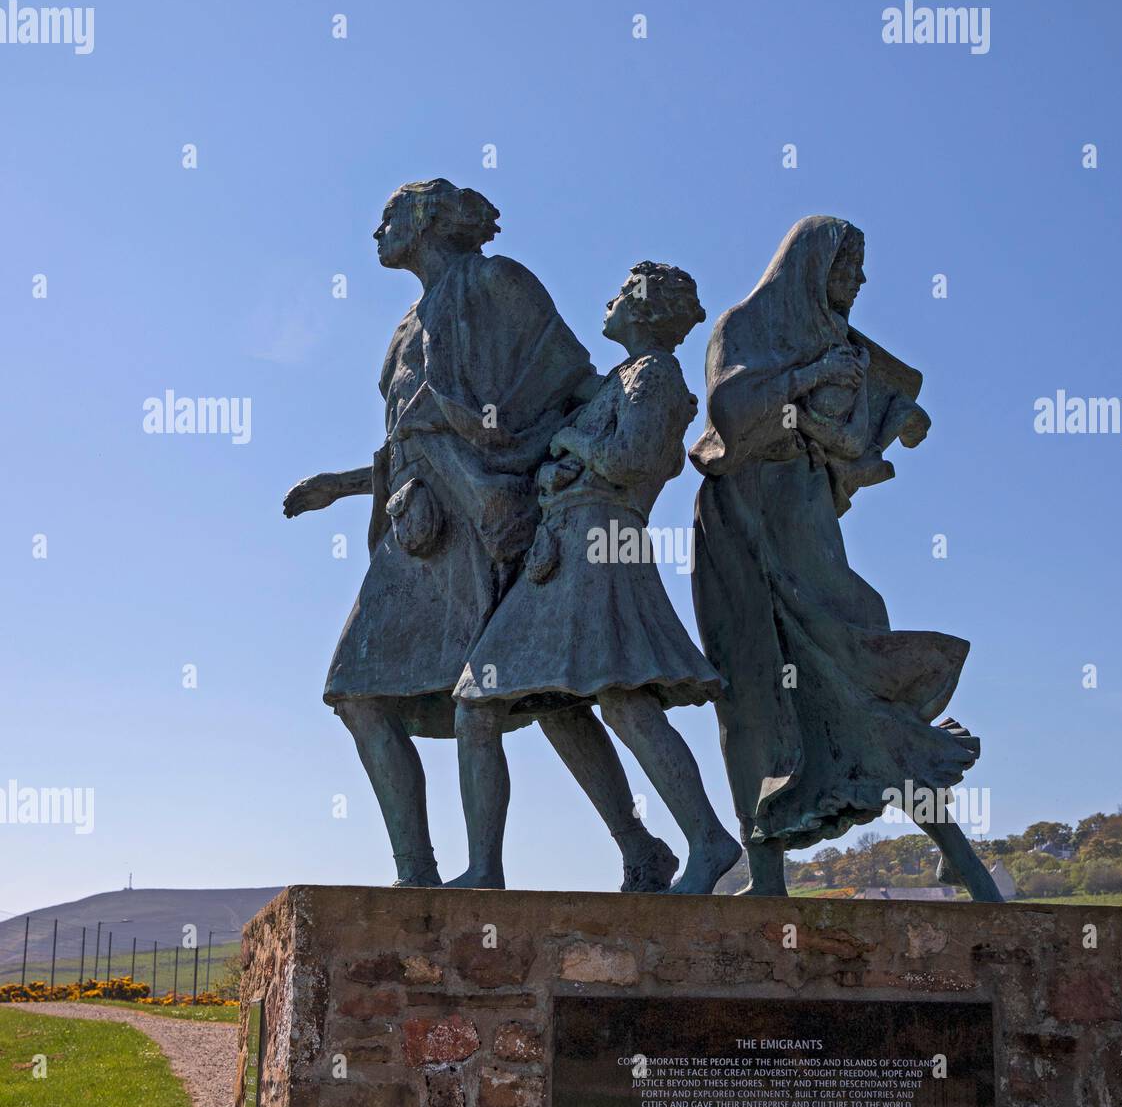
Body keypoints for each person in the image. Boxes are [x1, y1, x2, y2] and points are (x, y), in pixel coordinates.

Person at [282, 181, 677, 892]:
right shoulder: (408, 325)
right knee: (358, 695)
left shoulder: (497, 281)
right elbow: (407, 437)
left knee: (544, 693)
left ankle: (632, 847)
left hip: (489, 514)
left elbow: (571, 384)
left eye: (390, 215)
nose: (377, 230)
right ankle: (418, 876)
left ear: (429, 218)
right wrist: (341, 486)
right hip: (414, 528)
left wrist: (645, 417)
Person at [688, 216, 1001, 901]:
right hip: (741, 527)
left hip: (804, 527)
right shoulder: (743, 326)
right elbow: (729, 413)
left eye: (859, 271)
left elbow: (866, 424)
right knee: (750, 696)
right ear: (810, 267)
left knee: (855, 673)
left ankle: (959, 856)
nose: (858, 283)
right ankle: (767, 874)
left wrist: (884, 414)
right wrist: (809, 376)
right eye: (848, 269)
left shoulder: (842, 343)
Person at [454, 263, 741, 893]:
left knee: (615, 698)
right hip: (566, 548)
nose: (607, 302)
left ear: (639, 305)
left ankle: (706, 840)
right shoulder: (620, 379)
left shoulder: (656, 375)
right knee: (539, 699)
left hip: (601, 544)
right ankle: (632, 849)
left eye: (618, 293)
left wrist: (569, 444)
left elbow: (630, 460)